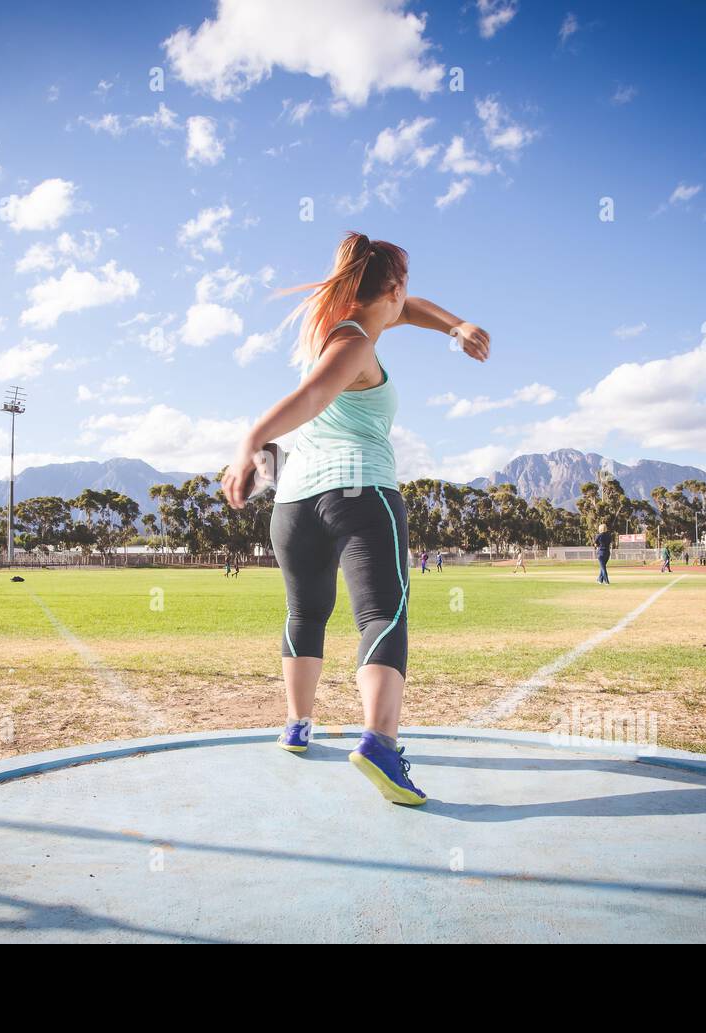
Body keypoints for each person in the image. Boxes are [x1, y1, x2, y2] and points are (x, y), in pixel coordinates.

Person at [221, 231, 490, 806]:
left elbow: (406, 311)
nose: (406, 302)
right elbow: (317, 396)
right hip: (358, 490)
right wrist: (252, 439)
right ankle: (380, 745)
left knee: (306, 613)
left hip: (293, 502)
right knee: (381, 615)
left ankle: (297, 726)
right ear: (390, 289)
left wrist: (454, 325)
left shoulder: (333, 325)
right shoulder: (354, 343)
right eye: (402, 291)